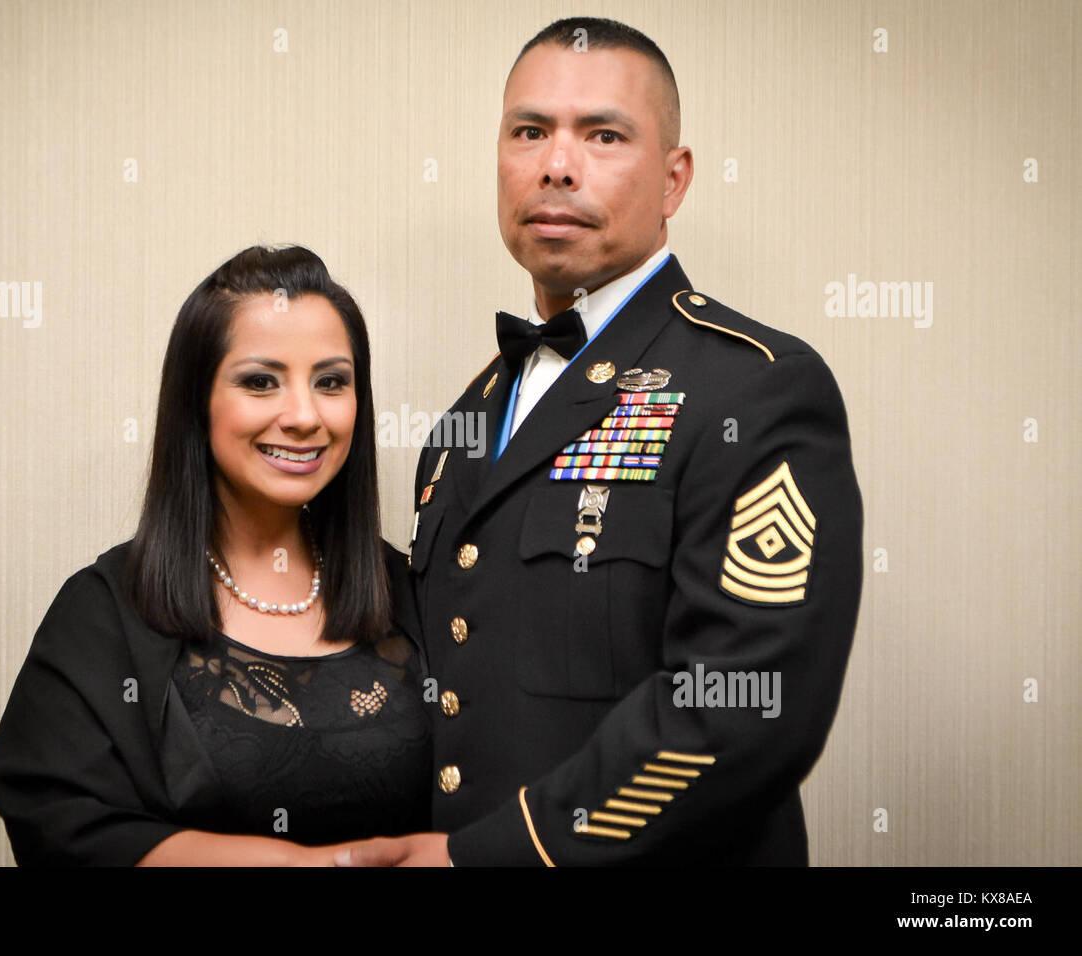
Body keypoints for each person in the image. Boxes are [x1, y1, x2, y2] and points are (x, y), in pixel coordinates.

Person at [339, 17, 864, 866]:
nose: (556, 162)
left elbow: (743, 708)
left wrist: (499, 853)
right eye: (530, 131)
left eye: (604, 134)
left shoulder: (755, 387)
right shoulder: (459, 430)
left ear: (674, 178)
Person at [0, 245, 432, 865]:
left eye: (331, 382)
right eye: (260, 381)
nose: (304, 415)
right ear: (198, 402)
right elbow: (61, 823)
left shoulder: (411, 590)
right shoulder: (106, 609)